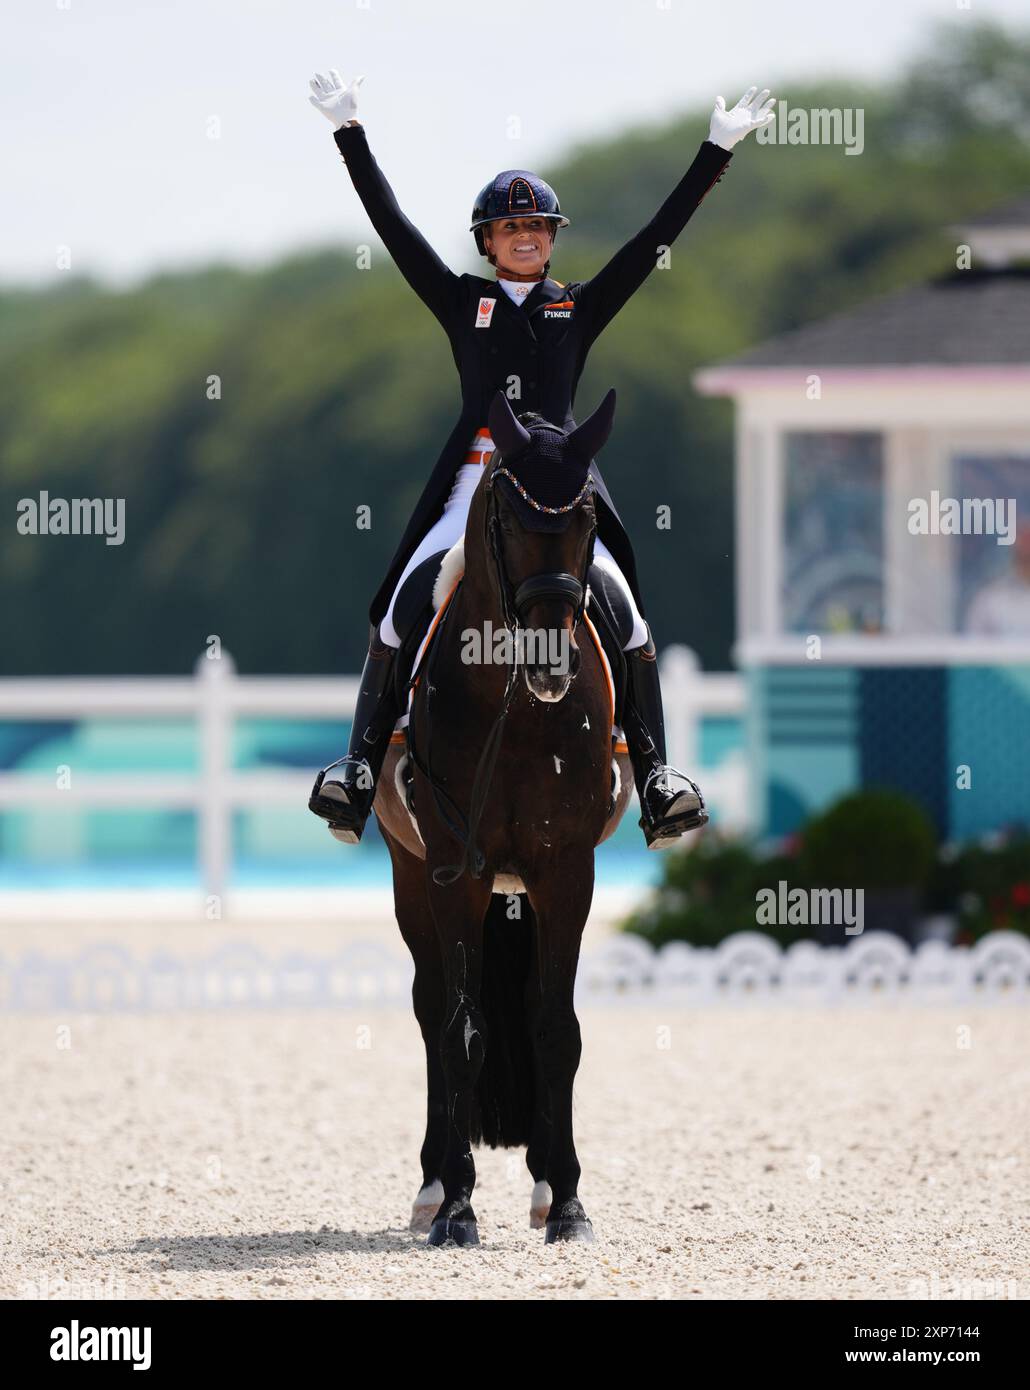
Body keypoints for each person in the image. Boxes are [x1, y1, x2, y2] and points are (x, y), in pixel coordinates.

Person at [306, 70, 774, 848]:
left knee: (625, 613)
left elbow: (653, 239)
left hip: (559, 487)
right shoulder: (463, 302)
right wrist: (349, 133)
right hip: (478, 481)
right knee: (398, 608)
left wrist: (714, 152)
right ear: (487, 242)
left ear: (552, 238)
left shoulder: (577, 307)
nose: (526, 236)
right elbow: (392, 228)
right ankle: (358, 768)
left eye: (539, 227)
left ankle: (656, 775)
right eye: (510, 228)